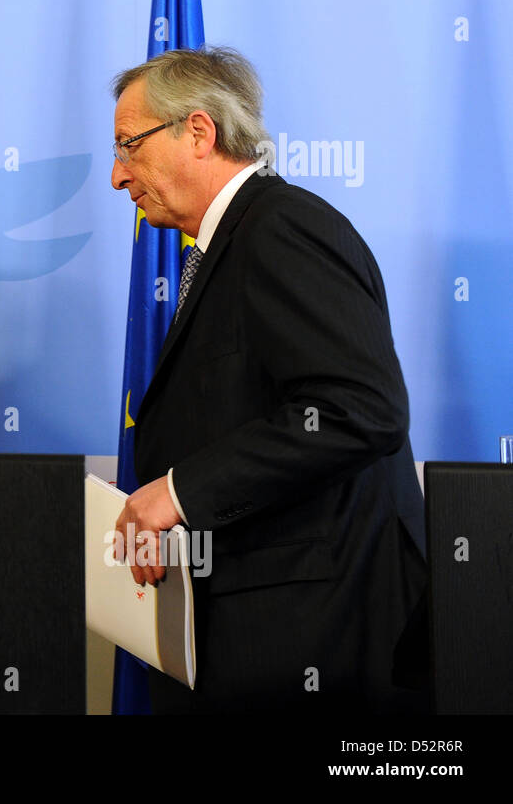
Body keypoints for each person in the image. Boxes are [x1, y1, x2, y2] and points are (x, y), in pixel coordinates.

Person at [108, 47, 427, 713]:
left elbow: (360, 408)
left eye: (129, 146)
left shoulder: (283, 228)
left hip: (314, 642)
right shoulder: (228, 245)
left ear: (198, 131)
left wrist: (179, 491)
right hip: (257, 637)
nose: (117, 176)